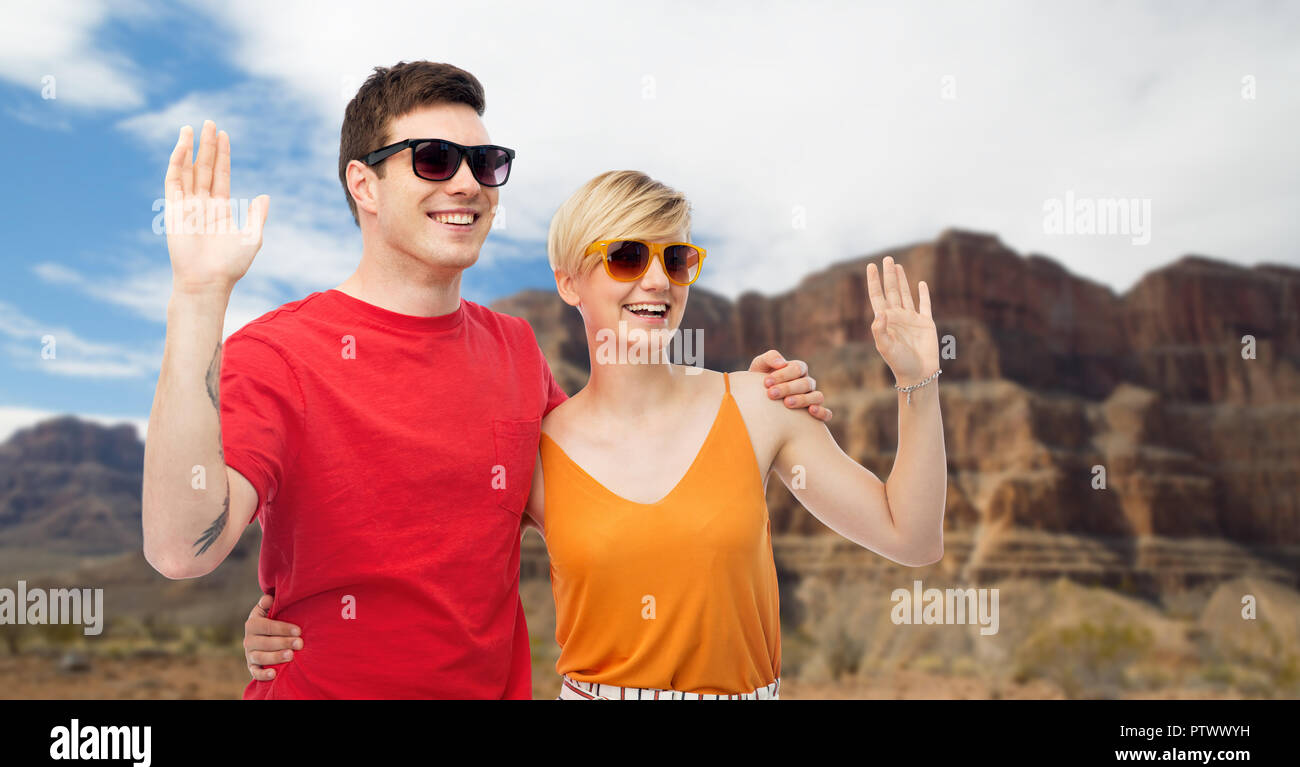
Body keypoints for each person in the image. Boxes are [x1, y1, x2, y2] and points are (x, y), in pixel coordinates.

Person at [141, 62, 828, 699]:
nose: (467, 183)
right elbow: (179, 545)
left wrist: (738, 395)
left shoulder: (517, 351)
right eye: (435, 159)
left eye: (486, 163)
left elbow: (619, 486)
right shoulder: (278, 354)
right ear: (364, 184)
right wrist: (199, 297)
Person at [245, 169, 947, 700]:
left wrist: (918, 382)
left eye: (676, 260)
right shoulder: (533, 450)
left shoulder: (763, 406)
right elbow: (413, 570)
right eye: (626, 256)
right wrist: (281, 620)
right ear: (569, 281)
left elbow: (910, 537)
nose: (656, 279)